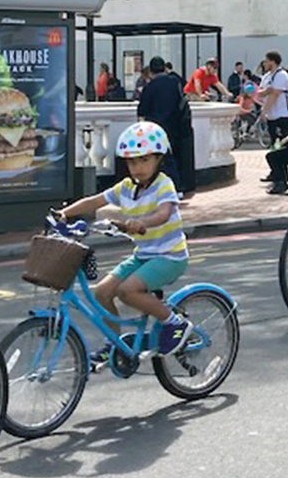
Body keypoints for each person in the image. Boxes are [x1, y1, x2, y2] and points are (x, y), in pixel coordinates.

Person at [55, 119, 194, 356]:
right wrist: (63, 213)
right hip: (144, 255)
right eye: (132, 162)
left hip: (169, 257)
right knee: (102, 292)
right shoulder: (126, 188)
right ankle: (114, 343)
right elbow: (95, 201)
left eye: (144, 160)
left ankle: (175, 323)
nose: (138, 167)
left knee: (127, 291)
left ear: (159, 159)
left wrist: (143, 222)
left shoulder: (164, 185)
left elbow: (164, 213)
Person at [135, 56, 197, 202]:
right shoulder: (174, 82)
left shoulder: (149, 87)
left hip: (157, 129)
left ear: (151, 71)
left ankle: (166, 188)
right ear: (164, 68)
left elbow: (142, 110)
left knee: (163, 160)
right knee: (178, 157)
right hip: (176, 126)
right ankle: (179, 187)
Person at [250, 52, 288, 162]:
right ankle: (276, 168)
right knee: (274, 144)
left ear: (273, 61)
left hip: (283, 115)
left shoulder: (281, 75)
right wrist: (267, 91)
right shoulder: (266, 76)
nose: (264, 64)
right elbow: (260, 92)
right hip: (272, 116)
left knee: (283, 144)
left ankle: (283, 167)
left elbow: (274, 94)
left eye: (266, 61)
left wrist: (264, 111)